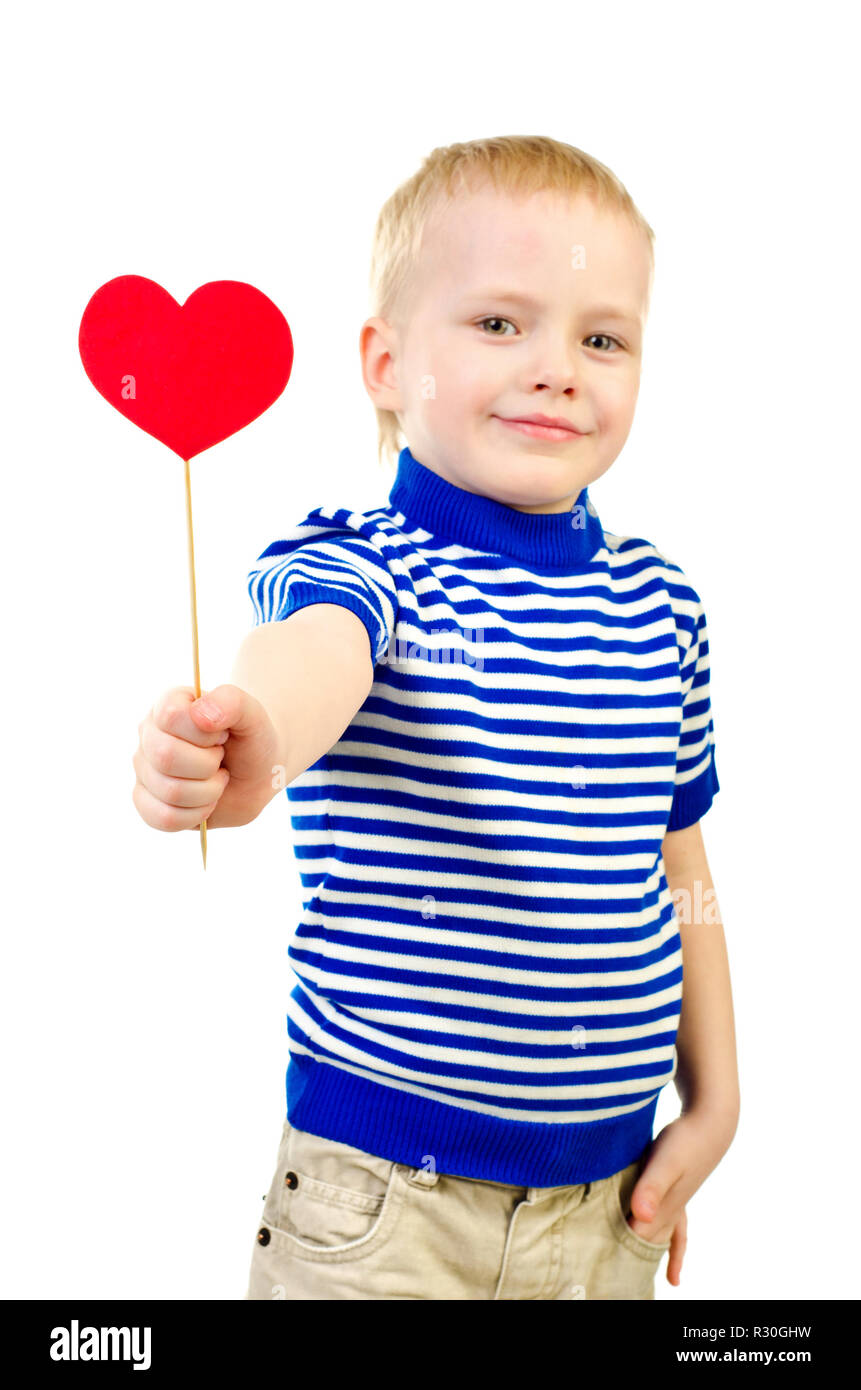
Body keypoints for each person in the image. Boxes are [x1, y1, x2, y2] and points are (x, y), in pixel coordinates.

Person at [132, 134, 739, 1300]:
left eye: (602, 338)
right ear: (385, 362)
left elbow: (681, 863)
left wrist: (716, 1100)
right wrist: (254, 732)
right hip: (385, 1208)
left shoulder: (663, 605)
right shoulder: (369, 565)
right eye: (501, 323)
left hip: (606, 1210)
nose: (558, 369)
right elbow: (313, 655)